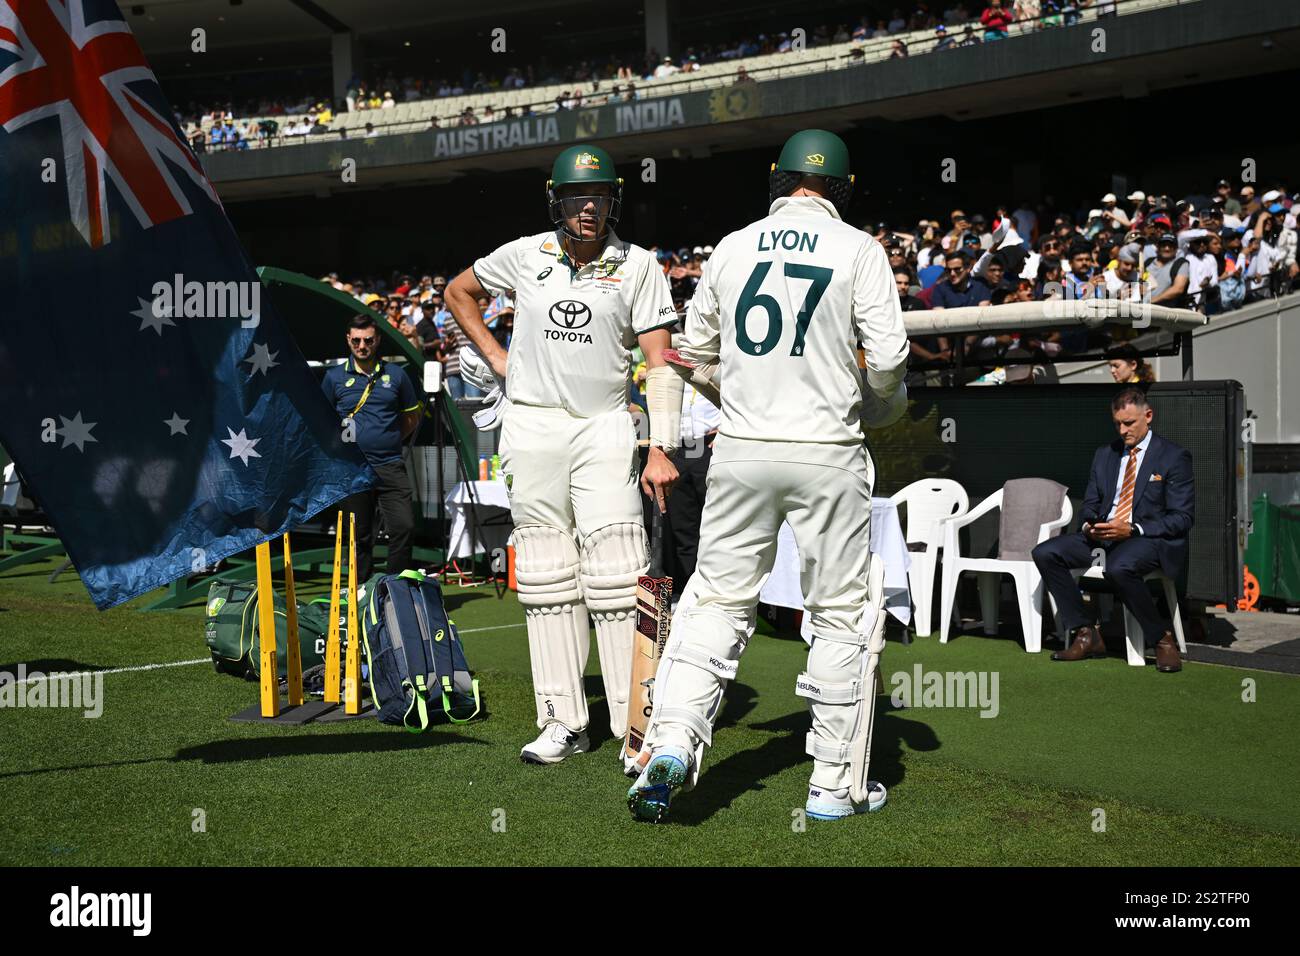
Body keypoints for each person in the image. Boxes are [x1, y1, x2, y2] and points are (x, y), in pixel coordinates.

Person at [627, 129, 909, 823]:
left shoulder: (730, 246)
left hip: (743, 452)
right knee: (842, 613)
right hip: (826, 450)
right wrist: (880, 407)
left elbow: (691, 359)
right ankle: (833, 787)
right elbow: (892, 357)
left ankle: (670, 744)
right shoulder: (860, 249)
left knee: (716, 603)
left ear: (779, 181)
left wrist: (740, 395)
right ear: (843, 188)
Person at [443, 146, 679, 772]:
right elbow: (458, 292)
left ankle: (637, 729)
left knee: (617, 572)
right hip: (532, 425)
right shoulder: (525, 254)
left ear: (613, 202)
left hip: (604, 424)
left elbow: (660, 363)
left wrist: (661, 445)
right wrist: (499, 359)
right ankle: (561, 722)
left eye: (600, 197)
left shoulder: (638, 265)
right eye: (578, 197)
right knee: (546, 574)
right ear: (558, 201)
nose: (590, 208)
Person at [1032, 388, 1193, 673]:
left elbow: (1182, 518)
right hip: (1104, 535)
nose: (1123, 430)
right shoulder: (1105, 454)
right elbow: (1090, 504)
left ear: (1148, 416)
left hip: (1146, 538)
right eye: (1117, 423)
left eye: (1129, 423)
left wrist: (1132, 528)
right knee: (1045, 553)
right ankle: (1086, 633)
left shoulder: (1174, 456)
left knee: (1119, 568)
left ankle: (1161, 638)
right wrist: (1090, 525)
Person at [320, 315, 422, 581]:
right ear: (348, 340)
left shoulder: (397, 375)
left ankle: (395, 588)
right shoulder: (334, 378)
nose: (362, 345)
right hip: (353, 470)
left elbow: (411, 417)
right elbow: (322, 422)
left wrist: (387, 437)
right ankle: (362, 591)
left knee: (404, 525)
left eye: (367, 340)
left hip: (389, 464)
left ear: (377, 340)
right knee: (357, 535)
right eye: (356, 340)